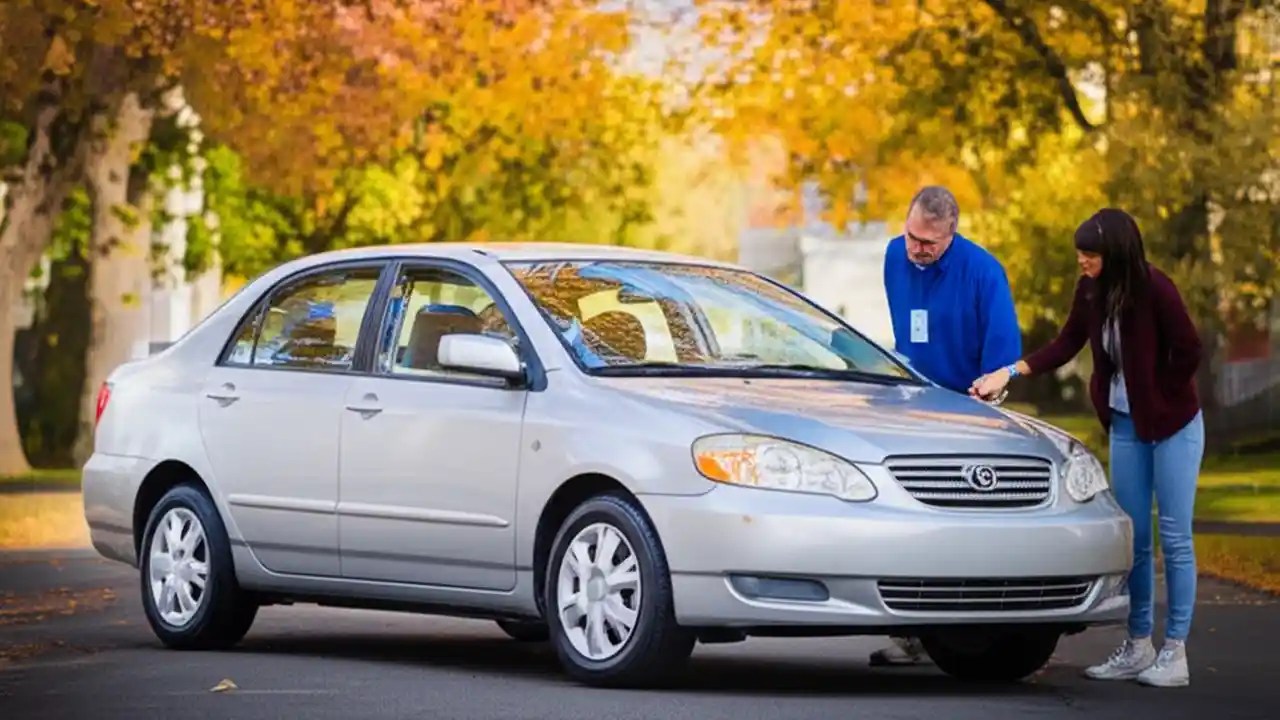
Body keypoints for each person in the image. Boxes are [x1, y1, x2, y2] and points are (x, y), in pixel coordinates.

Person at [970, 208, 1204, 688]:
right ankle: (1138, 646)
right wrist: (1008, 373)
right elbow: (1065, 344)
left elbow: (1189, 348)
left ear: (1114, 254)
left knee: (1175, 539)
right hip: (1125, 426)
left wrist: (1162, 394)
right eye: (1080, 254)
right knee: (1134, 541)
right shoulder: (1091, 291)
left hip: (1175, 426)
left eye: (1090, 255)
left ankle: (1175, 652)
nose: (1082, 262)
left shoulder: (1156, 289)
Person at [869, 186, 1023, 667]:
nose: (917, 248)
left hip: (965, 413)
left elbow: (1000, 362)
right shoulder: (895, 257)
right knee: (904, 524)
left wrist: (983, 401)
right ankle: (909, 634)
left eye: (928, 243)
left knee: (959, 530)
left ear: (951, 235)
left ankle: (972, 633)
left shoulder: (983, 274)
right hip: (910, 409)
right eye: (912, 235)